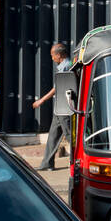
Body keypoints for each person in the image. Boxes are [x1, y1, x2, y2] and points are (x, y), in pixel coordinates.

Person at [32, 43, 72, 171]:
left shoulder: (66, 66)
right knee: (53, 135)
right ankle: (47, 163)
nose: (52, 58)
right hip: (60, 106)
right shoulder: (63, 66)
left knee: (69, 134)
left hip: (65, 106)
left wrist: (41, 100)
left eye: (52, 55)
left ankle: (80, 160)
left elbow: (57, 88)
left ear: (59, 55)